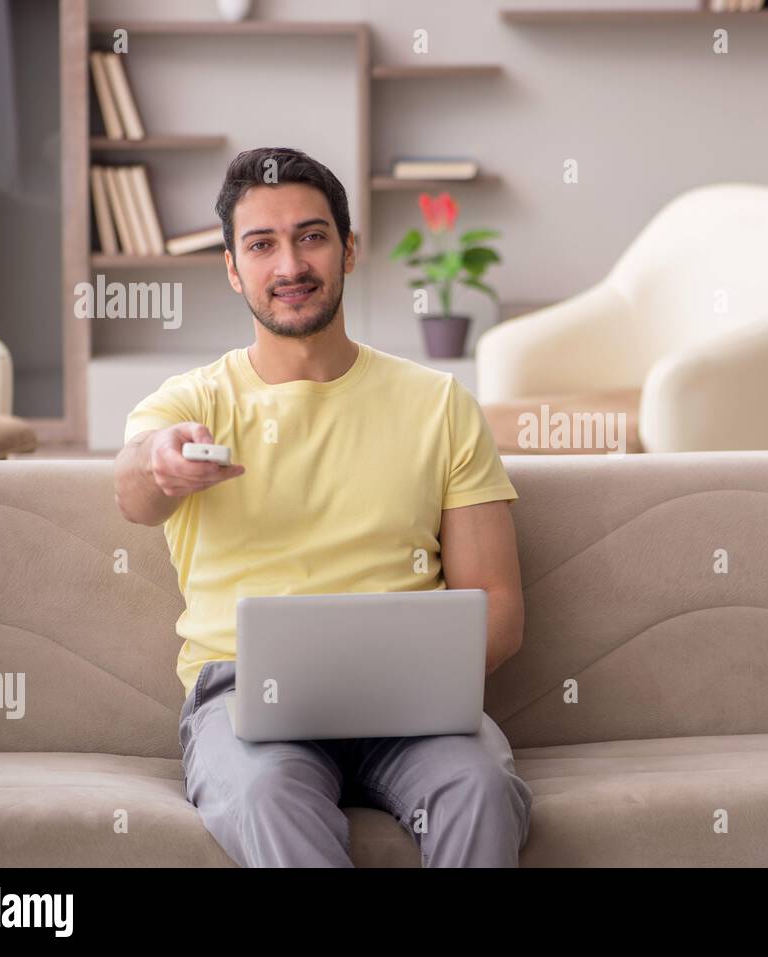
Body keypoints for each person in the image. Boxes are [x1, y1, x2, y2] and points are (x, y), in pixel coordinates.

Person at [112, 147, 532, 867]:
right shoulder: (191, 403)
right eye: (262, 244)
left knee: (482, 784)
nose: (290, 266)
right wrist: (160, 464)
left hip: (414, 703)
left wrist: (417, 671)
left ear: (349, 249)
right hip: (247, 701)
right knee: (267, 794)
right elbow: (132, 491)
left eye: (311, 236)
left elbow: (497, 602)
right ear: (232, 267)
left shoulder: (438, 405)